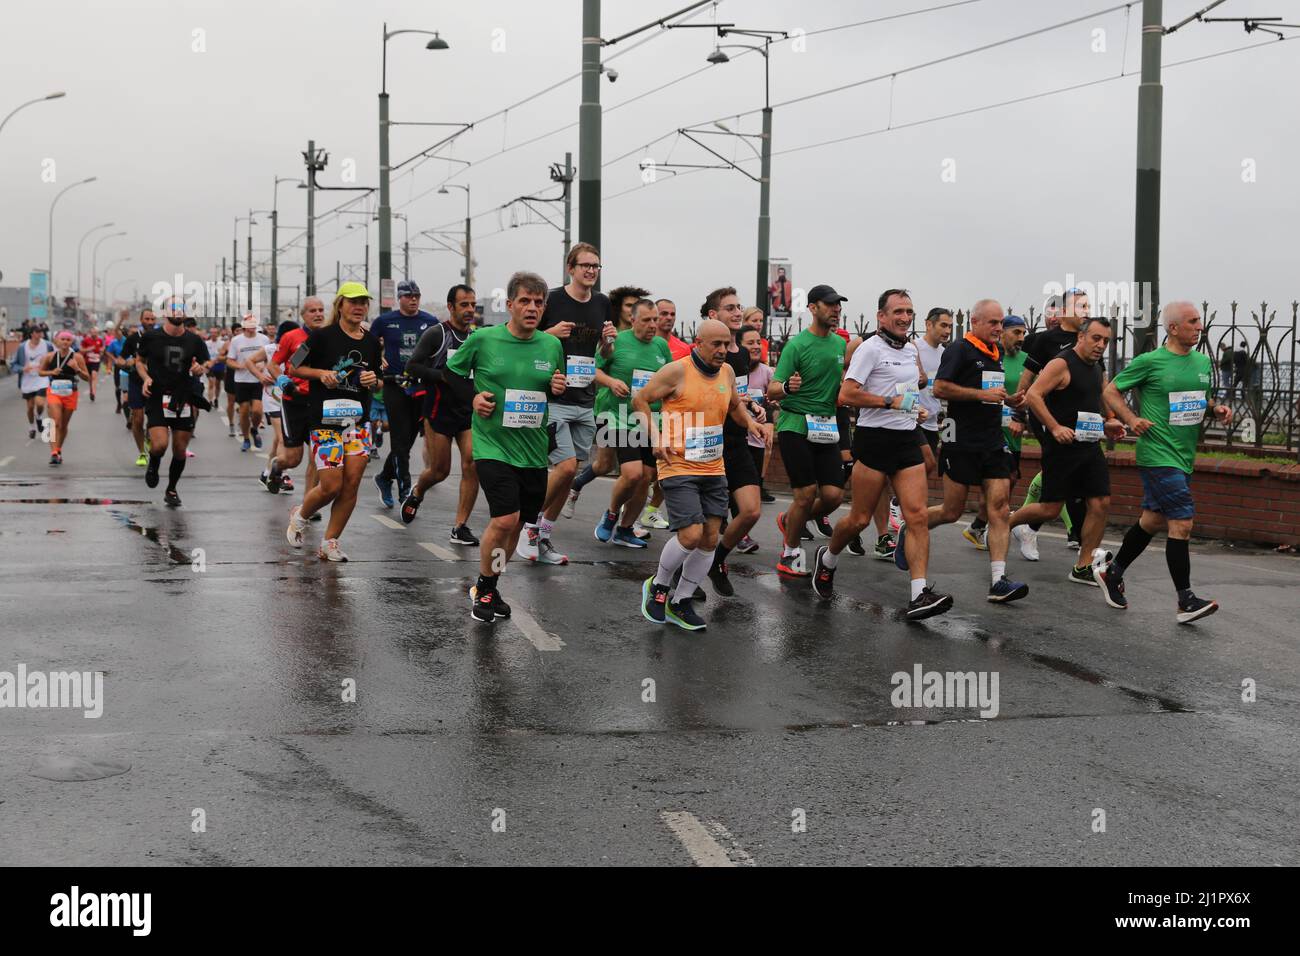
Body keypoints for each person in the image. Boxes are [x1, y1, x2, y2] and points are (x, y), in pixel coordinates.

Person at [814, 289, 952, 620]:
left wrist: (911, 409)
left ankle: (919, 593)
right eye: (898, 312)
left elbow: (906, 392)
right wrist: (888, 403)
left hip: (906, 439)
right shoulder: (868, 350)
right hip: (874, 440)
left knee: (916, 516)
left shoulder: (910, 350)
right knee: (859, 519)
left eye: (909, 311)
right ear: (881, 317)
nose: (905, 317)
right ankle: (829, 557)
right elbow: (847, 394)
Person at [1096, 301, 1232, 623]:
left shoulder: (1201, 361)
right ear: (1173, 328)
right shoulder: (1150, 362)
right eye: (1192, 321)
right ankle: (1185, 600)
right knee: (1182, 521)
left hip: (1183, 456)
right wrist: (1131, 418)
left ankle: (1113, 573)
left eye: (1199, 321)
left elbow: (1201, 398)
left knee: (1153, 521)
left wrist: (1216, 410)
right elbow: (1112, 391)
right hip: (1157, 455)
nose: (1199, 327)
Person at [444, 271, 567, 622]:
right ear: (510, 304)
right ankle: (483, 589)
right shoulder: (483, 339)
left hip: (532, 448)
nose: (532, 308)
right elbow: (451, 374)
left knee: (516, 525)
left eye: (539, 302)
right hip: (492, 444)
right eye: (525, 301)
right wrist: (473, 398)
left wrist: (558, 387)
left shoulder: (551, 345)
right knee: (505, 518)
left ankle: (491, 584)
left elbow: (553, 387)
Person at [635, 319, 765, 630]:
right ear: (698, 343)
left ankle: (680, 601)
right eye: (716, 344)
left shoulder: (727, 373)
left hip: (713, 465)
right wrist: (655, 435)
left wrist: (751, 424)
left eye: (726, 343)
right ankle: (659, 586)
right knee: (690, 535)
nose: (722, 350)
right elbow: (639, 400)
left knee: (709, 539)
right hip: (677, 463)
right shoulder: (676, 371)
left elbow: (734, 405)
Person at [903, 298, 1030, 603]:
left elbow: (991, 394)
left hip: (991, 440)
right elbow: (940, 388)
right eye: (993, 323)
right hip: (959, 438)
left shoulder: (997, 352)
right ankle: (910, 529)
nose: (999, 328)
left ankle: (999, 581)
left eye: (1001, 323)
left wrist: (1009, 400)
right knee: (952, 510)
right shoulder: (960, 349)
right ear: (975, 322)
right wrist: (980, 394)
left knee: (999, 507)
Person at [518, 242, 616, 566]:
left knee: (569, 473)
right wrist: (551, 332)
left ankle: (543, 536)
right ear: (570, 269)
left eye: (596, 266)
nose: (591, 271)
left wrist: (607, 343)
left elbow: (605, 357)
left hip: (584, 399)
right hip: (555, 396)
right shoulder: (554, 300)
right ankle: (527, 525)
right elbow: (527, 338)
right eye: (585, 265)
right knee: (566, 467)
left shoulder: (603, 303)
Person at [1008, 316, 1124, 584]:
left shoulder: (1095, 367)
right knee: (1049, 509)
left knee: (1100, 502)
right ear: (1081, 337)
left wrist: (1109, 422)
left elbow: (1090, 403)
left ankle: (1083, 566)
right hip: (1062, 448)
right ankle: (1006, 522)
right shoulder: (1061, 363)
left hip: (1089, 444)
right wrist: (1055, 427)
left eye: (1105, 341)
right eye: (1096, 338)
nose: (1100, 345)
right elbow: (1034, 395)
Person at [285, 284, 384, 561]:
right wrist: (320, 374)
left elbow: (378, 381)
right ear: (340, 305)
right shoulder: (321, 337)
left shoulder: (371, 341)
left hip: (357, 422)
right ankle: (301, 514)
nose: (359, 307)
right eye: (353, 302)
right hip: (325, 420)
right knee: (331, 485)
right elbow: (293, 366)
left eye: (363, 302)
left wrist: (373, 380)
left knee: (351, 484)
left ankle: (330, 542)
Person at [768, 284, 849, 576]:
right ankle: (789, 553)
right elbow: (773, 389)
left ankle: (792, 521)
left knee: (833, 496)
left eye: (838, 305)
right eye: (829, 305)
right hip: (795, 424)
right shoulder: (797, 345)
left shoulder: (840, 345)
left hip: (825, 426)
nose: (836, 309)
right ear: (813, 308)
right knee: (805, 493)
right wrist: (788, 386)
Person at [400, 284, 482, 546]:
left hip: (468, 411)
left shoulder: (478, 337)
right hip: (439, 410)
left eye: (473, 305)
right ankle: (417, 491)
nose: (470, 310)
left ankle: (460, 527)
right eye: (464, 305)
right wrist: (442, 376)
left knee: (472, 464)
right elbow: (412, 366)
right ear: (450, 307)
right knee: (439, 471)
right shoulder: (437, 334)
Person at [1013, 288, 1093, 555]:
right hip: (1047, 416)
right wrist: (1018, 413)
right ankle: (1080, 543)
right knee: (1069, 474)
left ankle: (1025, 526)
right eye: (1079, 306)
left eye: (1087, 306)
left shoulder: (1089, 339)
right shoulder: (1044, 340)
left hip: (1080, 419)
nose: (1085, 311)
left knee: (1068, 477)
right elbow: (1027, 377)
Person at [591, 297, 672, 548]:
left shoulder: (661, 347)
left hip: (650, 420)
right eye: (646, 320)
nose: (652, 325)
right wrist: (611, 382)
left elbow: (670, 382)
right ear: (633, 319)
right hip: (618, 417)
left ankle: (625, 529)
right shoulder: (617, 341)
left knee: (646, 476)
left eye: (655, 320)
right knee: (633, 472)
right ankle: (612, 514)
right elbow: (594, 370)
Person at [705, 286, 770, 595]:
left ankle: (718, 560)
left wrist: (752, 410)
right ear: (712, 316)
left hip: (736, 441)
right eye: (729, 307)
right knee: (703, 528)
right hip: (705, 442)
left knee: (751, 511)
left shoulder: (742, 354)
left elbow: (737, 398)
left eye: (738, 306)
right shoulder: (703, 354)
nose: (736, 311)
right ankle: (679, 579)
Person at [371, 279, 438, 508]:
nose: (413, 300)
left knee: (406, 443)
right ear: (399, 298)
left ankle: (383, 477)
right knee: (400, 442)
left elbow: (438, 351)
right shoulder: (385, 321)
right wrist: (377, 357)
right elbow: (368, 344)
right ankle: (405, 493)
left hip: (419, 388)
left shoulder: (429, 321)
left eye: (416, 296)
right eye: (408, 296)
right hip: (394, 386)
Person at [136, 302, 211, 505]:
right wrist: (145, 378)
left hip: (183, 396)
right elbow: (139, 361)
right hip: (157, 394)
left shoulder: (194, 340)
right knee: (160, 445)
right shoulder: (152, 337)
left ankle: (171, 489)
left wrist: (200, 368)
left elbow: (207, 362)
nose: (177, 313)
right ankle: (153, 462)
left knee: (179, 449)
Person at [965, 313, 1027, 548]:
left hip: (1014, 430)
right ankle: (993, 527)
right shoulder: (991, 356)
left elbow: (1030, 395)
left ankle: (978, 527)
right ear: (1002, 333)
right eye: (1016, 332)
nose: (1020, 338)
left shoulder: (1028, 361)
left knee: (1009, 482)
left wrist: (1021, 418)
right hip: (991, 430)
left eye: (1023, 333)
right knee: (1000, 480)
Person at [264, 297, 328, 498]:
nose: (318, 314)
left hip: (320, 402)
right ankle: (277, 466)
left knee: (318, 455)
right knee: (293, 459)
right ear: (303, 315)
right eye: (312, 311)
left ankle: (308, 503)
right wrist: (285, 384)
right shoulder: (292, 337)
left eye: (321, 310)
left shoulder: (329, 336)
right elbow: (273, 365)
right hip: (295, 402)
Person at [38, 331, 90, 465]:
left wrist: (77, 369)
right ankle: (54, 453)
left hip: (70, 393)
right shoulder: (49, 357)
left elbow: (87, 377)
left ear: (71, 342)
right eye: (63, 339)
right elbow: (40, 372)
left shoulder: (77, 357)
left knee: (63, 425)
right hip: (54, 392)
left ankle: (58, 449)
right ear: (56, 341)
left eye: (68, 339)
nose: (65, 342)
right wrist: (51, 372)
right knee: (55, 422)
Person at [119, 308, 158, 466]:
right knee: (137, 417)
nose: (150, 322)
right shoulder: (133, 338)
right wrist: (126, 362)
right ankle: (142, 452)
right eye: (147, 319)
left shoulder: (161, 337)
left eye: (152, 319)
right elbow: (120, 360)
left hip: (157, 383)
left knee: (154, 419)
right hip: (136, 381)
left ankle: (149, 438)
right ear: (141, 320)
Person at [227, 315, 271, 452]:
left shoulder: (264, 339)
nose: (252, 328)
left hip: (258, 379)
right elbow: (229, 360)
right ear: (244, 326)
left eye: (254, 325)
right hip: (242, 380)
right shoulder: (236, 340)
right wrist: (239, 366)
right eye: (249, 325)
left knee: (258, 411)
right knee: (244, 411)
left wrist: (264, 365)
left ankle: (254, 429)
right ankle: (246, 439)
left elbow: (270, 357)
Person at [12, 325, 52, 440]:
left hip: (42, 378)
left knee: (40, 403)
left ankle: (39, 417)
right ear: (32, 333)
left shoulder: (47, 345)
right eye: (38, 332)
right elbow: (13, 364)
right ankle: (32, 427)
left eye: (41, 332)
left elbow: (55, 358)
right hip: (27, 380)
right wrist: (22, 369)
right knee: (30, 407)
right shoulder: (22, 347)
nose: (40, 334)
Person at [80, 327, 105, 401]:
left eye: (95, 332)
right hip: (87, 361)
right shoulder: (85, 340)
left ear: (97, 333)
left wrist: (101, 352)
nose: (94, 334)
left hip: (96, 361)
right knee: (90, 378)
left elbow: (102, 349)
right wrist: (88, 349)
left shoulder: (100, 340)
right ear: (90, 333)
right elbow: (81, 350)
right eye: (92, 332)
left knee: (94, 375)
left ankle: (93, 393)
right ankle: (91, 389)